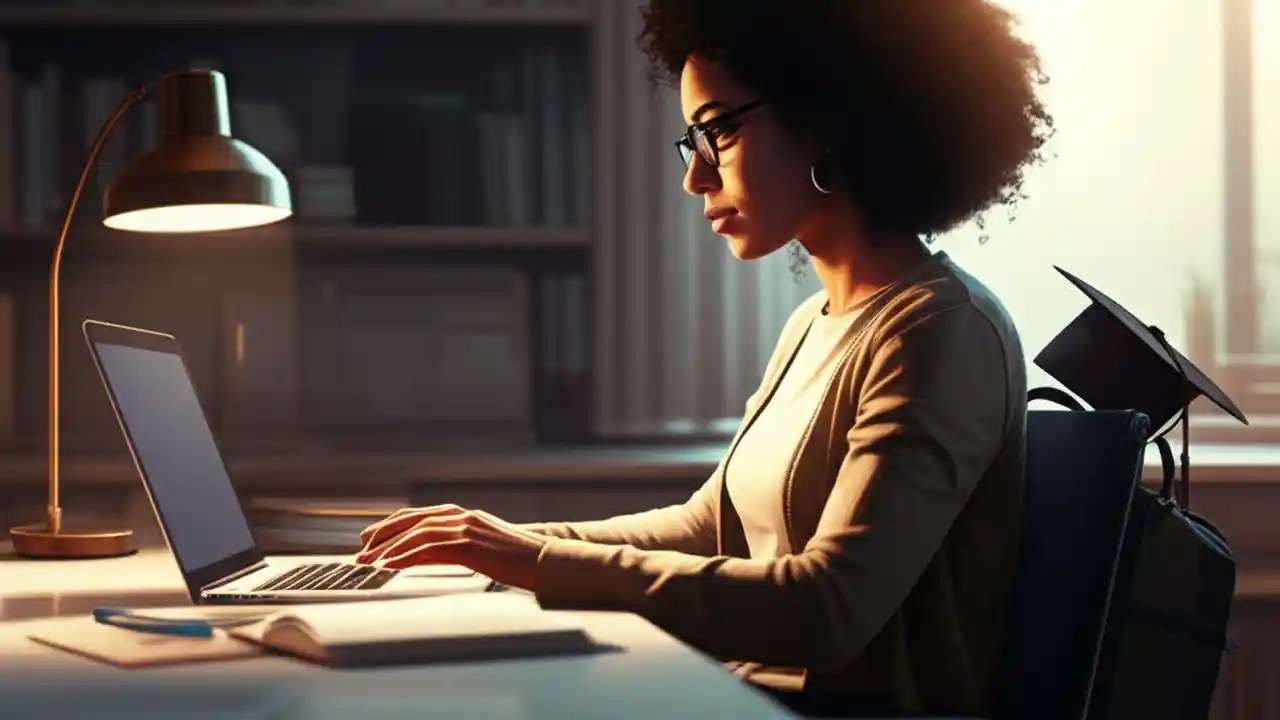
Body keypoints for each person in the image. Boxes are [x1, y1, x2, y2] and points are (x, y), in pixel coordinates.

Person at [356, 0, 1051, 715]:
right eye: (695, 139)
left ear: (828, 119)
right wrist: (501, 544)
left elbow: (828, 610)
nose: (696, 176)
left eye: (718, 129)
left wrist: (534, 561)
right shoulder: (816, 322)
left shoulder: (940, 331)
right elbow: (707, 527)